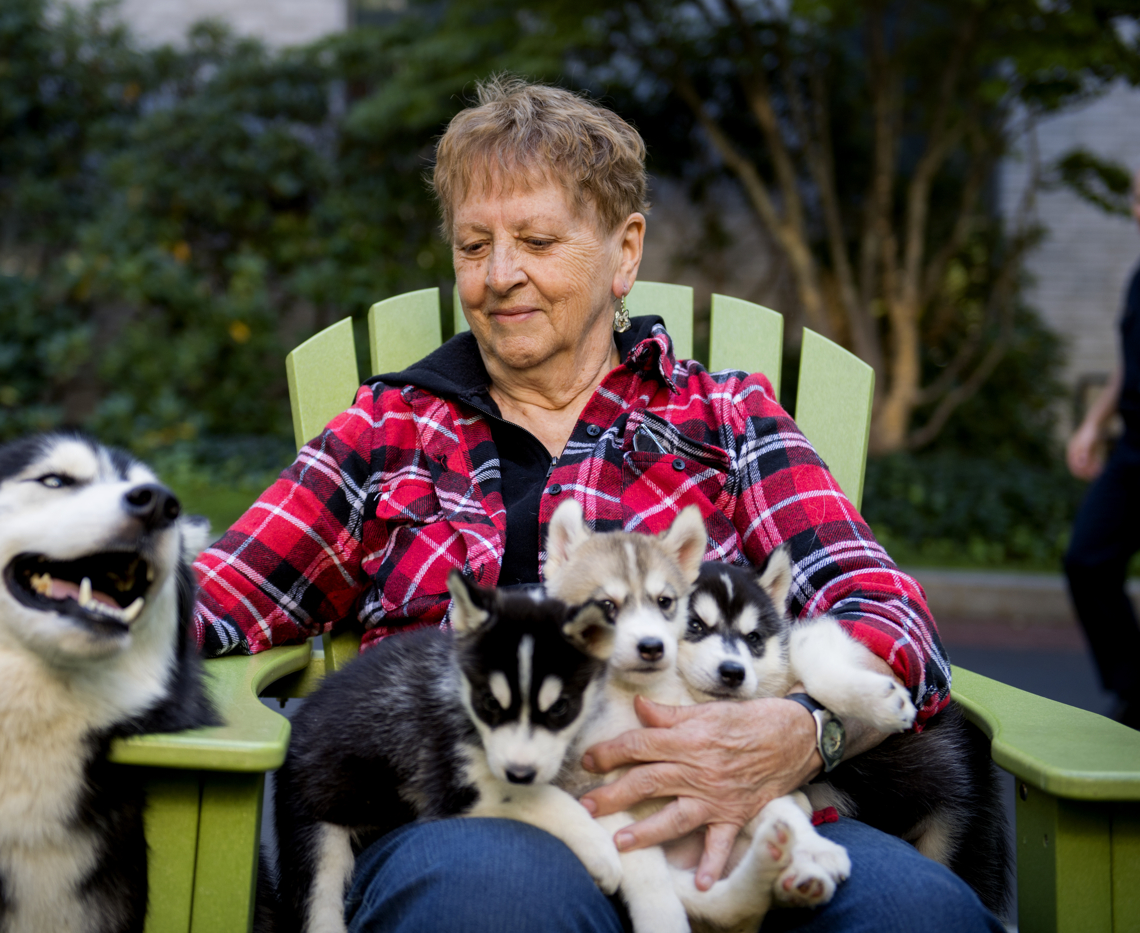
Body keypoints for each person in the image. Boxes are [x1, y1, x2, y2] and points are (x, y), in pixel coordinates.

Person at [192, 77, 1000, 932]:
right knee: (495, 903)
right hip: (489, 814)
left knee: (914, 911)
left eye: (537, 240)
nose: (501, 276)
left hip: (741, 814)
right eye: (473, 246)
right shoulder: (389, 428)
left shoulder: (725, 418)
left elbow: (890, 620)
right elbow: (214, 598)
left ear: (624, 253)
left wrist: (807, 731)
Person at [1063, 166, 1140, 730]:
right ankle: (1134, 687)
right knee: (1087, 560)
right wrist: (1093, 424)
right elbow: (1126, 367)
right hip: (1133, 449)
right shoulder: (1138, 278)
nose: (1136, 211)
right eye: (1136, 200)